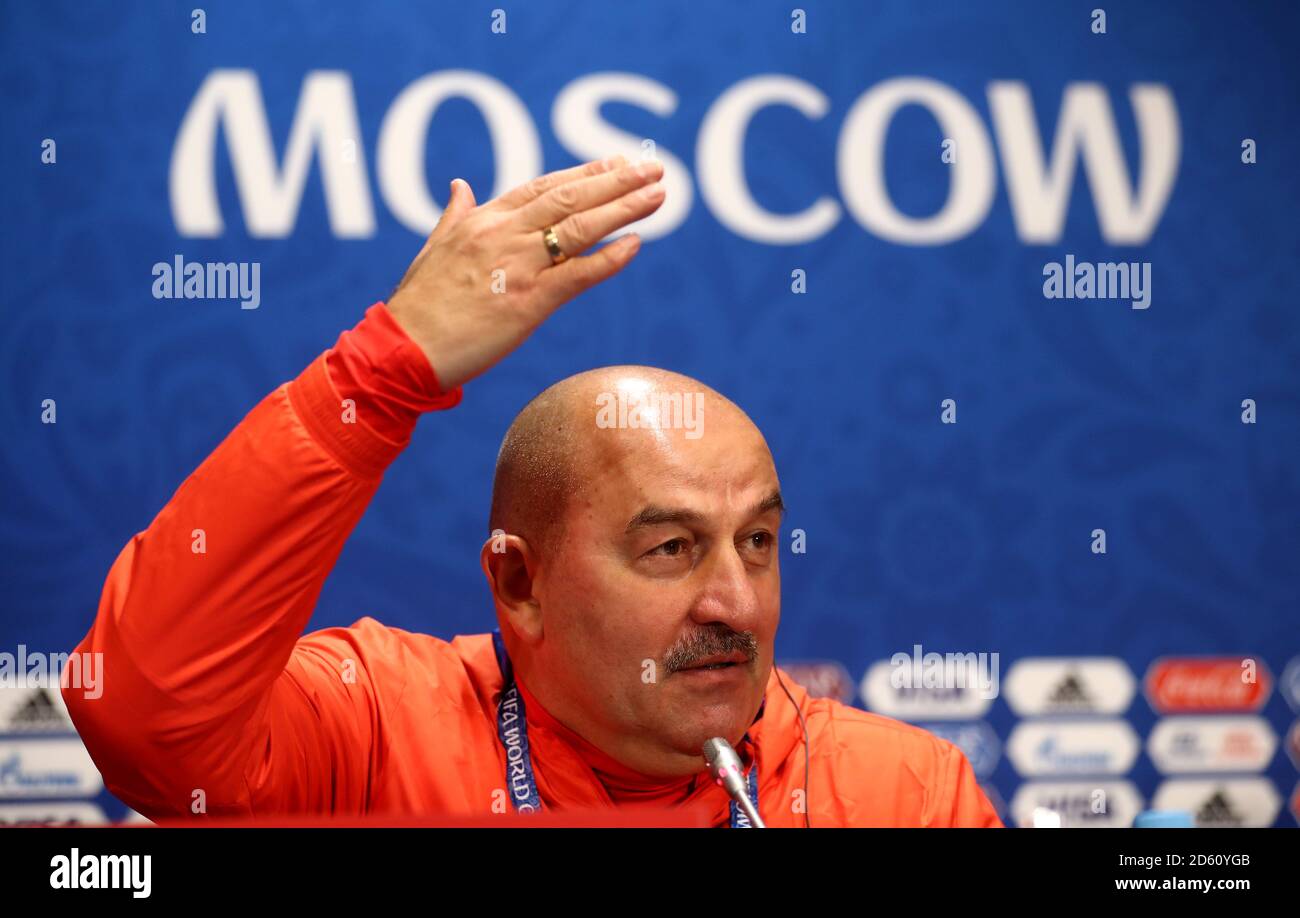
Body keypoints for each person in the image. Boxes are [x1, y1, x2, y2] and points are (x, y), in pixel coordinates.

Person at [64, 156, 1001, 827]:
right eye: (670, 548)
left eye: (755, 542)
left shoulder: (903, 793)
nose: (736, 603)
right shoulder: (373, 732)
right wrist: (375, 377)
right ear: (519, 585)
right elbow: (148, 720)